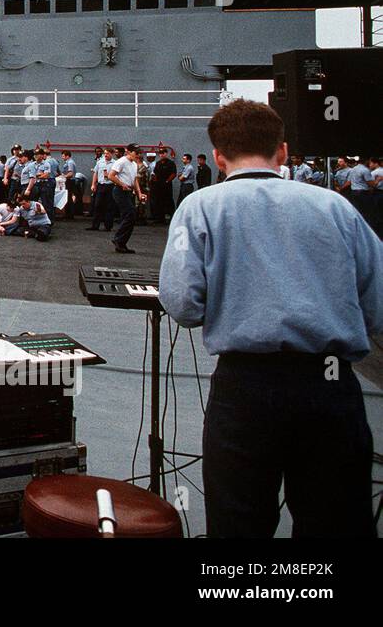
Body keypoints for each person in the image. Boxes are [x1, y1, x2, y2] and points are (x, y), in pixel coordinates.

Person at [159, 100, 381, 538]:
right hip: (331, 386)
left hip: (246, 386)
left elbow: (183, 305)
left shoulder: (200, 208)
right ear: (282, 152)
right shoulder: (337, 208)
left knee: (239, 522)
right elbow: (377, 307)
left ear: (219, 157)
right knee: (337, 524)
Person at [108, 144, 146, 254]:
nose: (138, 155)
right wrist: (122, 184)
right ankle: (118, 239)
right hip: (120, 191)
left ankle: (121, 244)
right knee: (131, 214)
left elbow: (134, 180)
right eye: (135, 152)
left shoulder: (134, 164)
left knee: (128, 216)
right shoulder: (121, 162)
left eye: (139, 152)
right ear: (128, 151)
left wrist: (139, 193)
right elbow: (111, 175)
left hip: (128, 192)